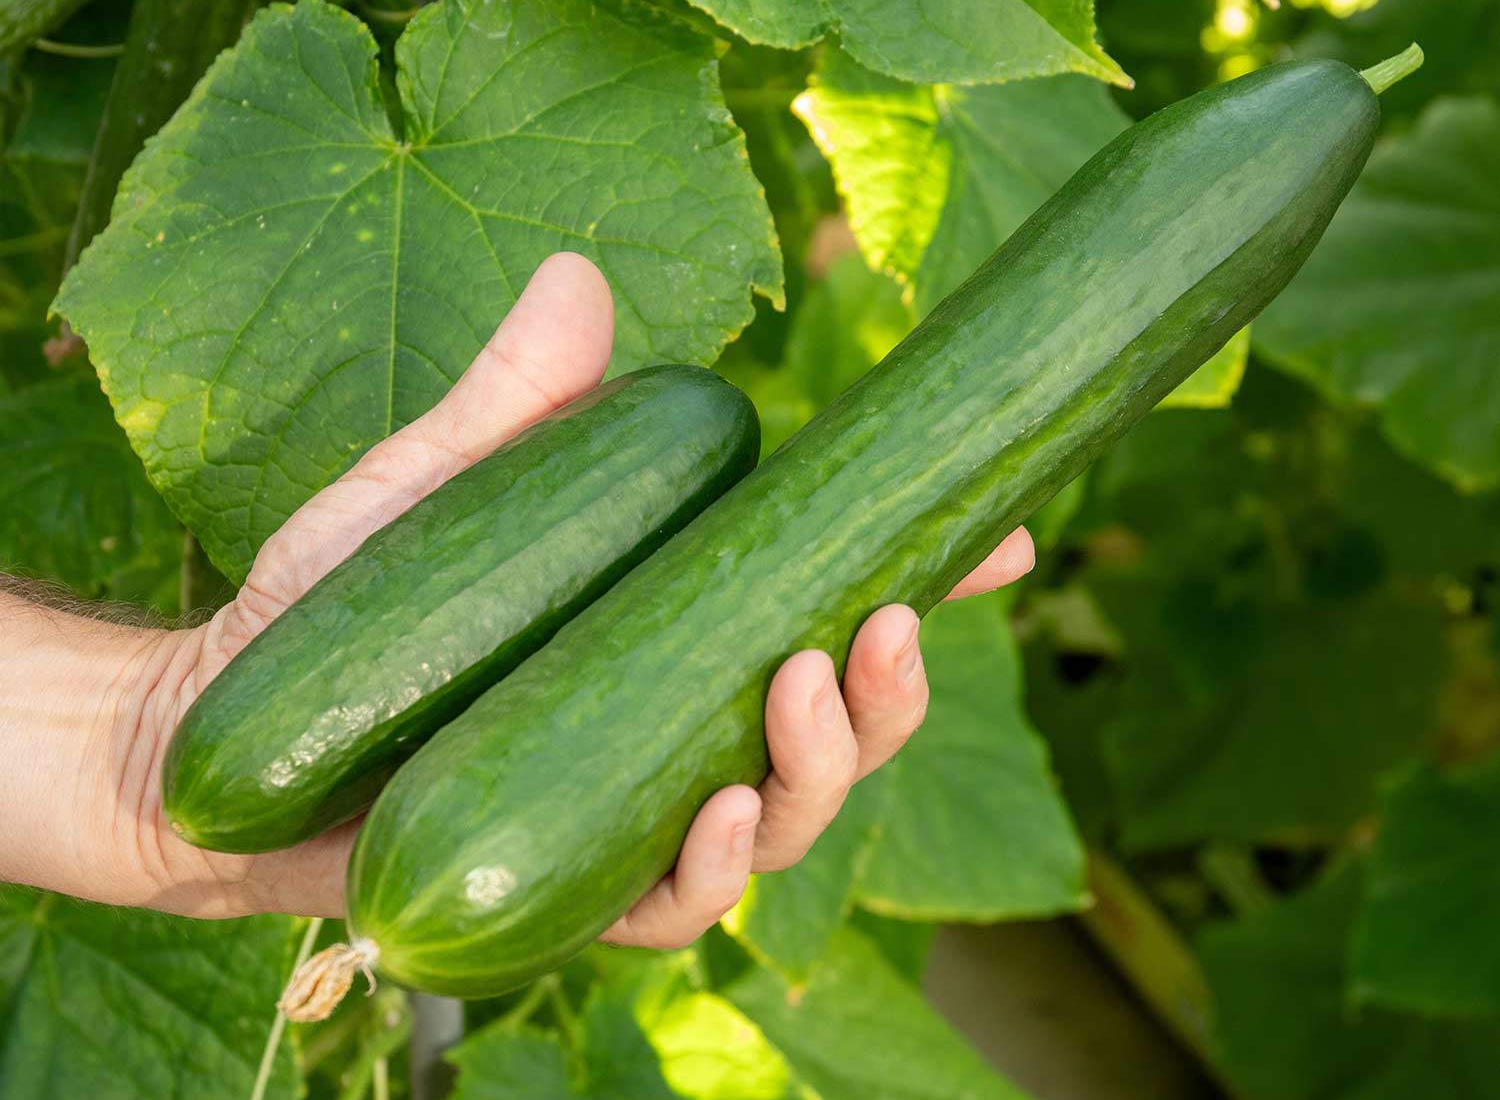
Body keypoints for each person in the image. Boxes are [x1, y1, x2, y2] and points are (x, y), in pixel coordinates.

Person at [0, 254, 1034, 946]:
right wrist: (133, 748)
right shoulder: (232, 762)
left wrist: (133, 742)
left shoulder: (236, 763)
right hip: (248, 758)